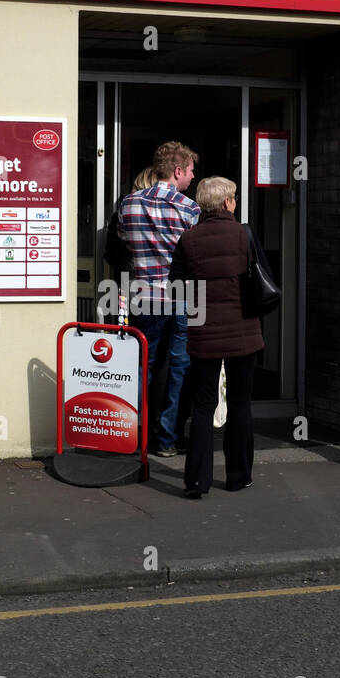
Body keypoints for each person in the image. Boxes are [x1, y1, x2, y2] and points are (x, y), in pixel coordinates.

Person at [169, 176, 262, 498]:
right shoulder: (244, 234)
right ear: (226, 203)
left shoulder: (188, 239)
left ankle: (197, 480)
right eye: (233, 198)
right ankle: (238, 476)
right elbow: (262, 278)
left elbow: (177, 286)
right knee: (239, 403)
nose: (235, 203)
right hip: (243, 330)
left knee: (203, 405)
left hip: (204, 331)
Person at [117, 142, 199, 457]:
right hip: (180, 297)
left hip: (143, 296)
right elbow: (194, 254)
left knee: (142, 367)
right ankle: (165, 439)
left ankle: (132, 436)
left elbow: (125, 242)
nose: (192, 177)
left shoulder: (129, 203)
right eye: (190, 170)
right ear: (177, 171)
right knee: (179, 366)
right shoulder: (190, 208)